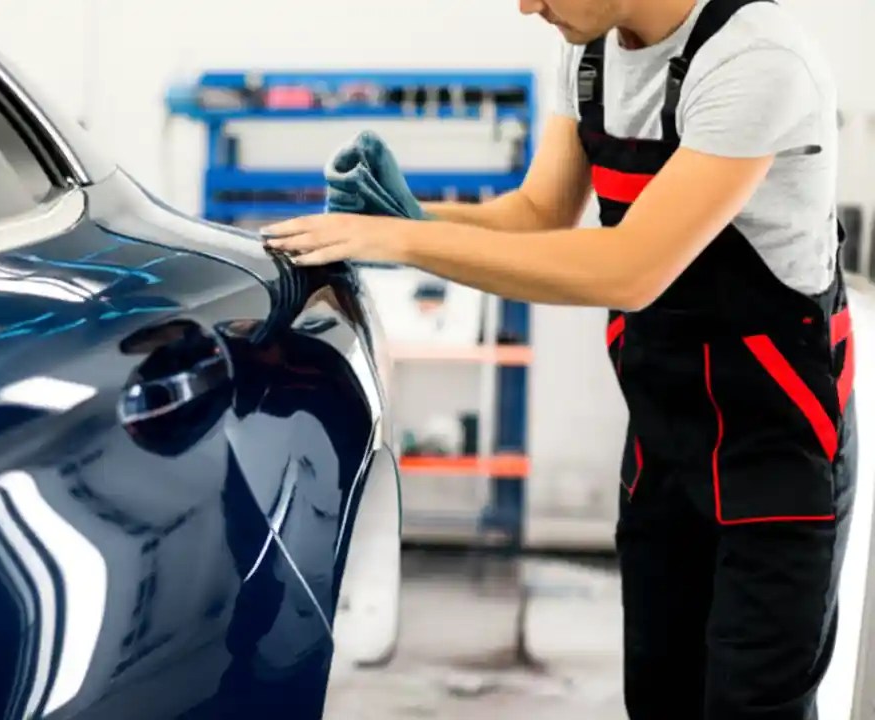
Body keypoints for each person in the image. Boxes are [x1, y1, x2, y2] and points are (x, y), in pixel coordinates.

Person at [262, 0, 857, 718]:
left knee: (751, 707)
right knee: (661, 696)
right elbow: (537, 216)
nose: (525, 5)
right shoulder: (591, 54)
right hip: (664, 450)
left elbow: (631, 268)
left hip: (777, 455)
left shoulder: (756, 63)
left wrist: (406, 246)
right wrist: (406, 217)